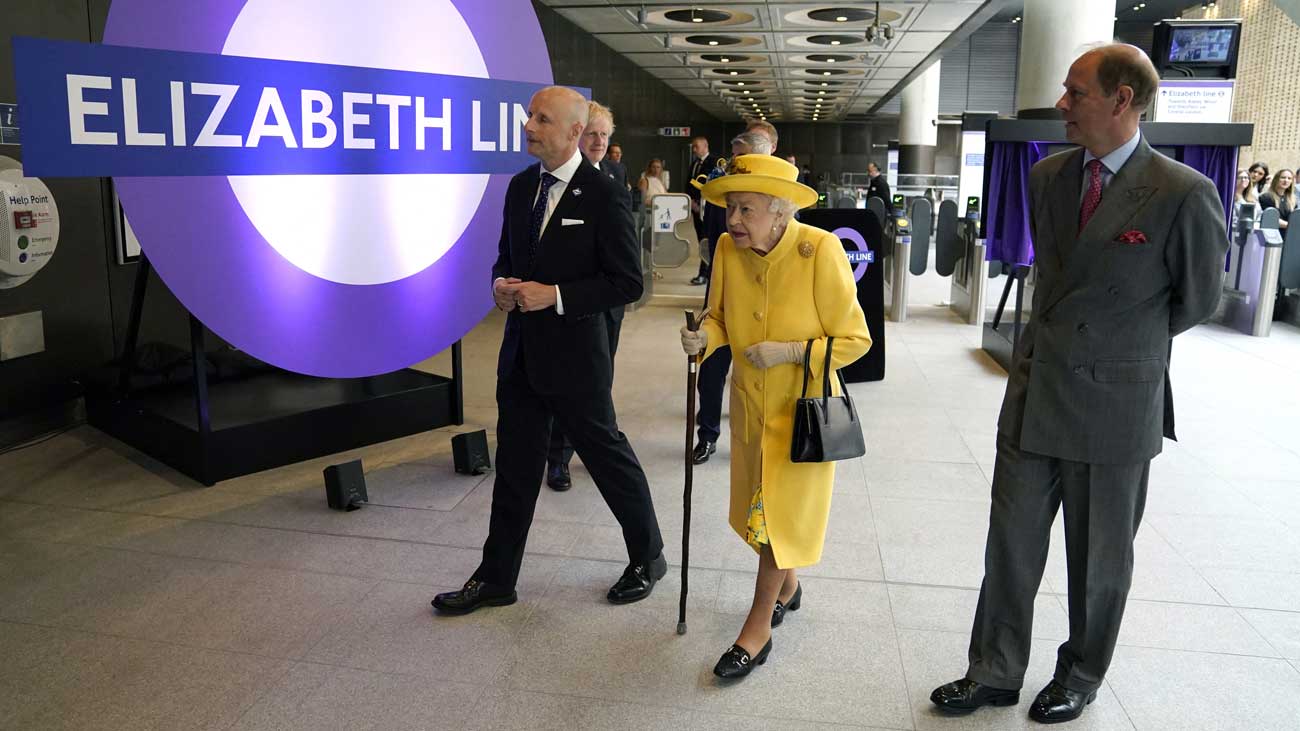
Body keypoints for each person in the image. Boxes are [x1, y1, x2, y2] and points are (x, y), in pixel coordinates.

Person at [930, 44, 1227, 724]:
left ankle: (1081, 673)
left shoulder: (1184, 192)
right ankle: (994, 669)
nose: (1061, 103)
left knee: (1098, 564)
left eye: (1076, 92)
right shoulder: (1048, 176)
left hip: (1115, 405)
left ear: (1122, 101)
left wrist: (1121, 350)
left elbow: (1198, 299)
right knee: (1010, 545)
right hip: (1035, 391)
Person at [432, 86, 667, 616]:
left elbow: (627, 283)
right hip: (520, 357)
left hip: (577, 361)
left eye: (542, 119)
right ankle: (496, 579)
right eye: (529, 116)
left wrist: (556, 296)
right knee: (514, 468)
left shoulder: (604, 194)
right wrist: (499, 285)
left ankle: (648, 557)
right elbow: (504, 257)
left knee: (607, 459)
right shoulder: (519, 188)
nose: (529, 126)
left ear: (573, 134)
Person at [679, 154, 872, 680]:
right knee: (759, 519)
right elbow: (718, 316)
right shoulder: (725, 248)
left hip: (802, 417)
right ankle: (789, 587)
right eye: (729, 208)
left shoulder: (819, 250)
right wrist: (704, 338)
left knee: (777, 522)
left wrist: (791, 352)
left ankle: (756, 628)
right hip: (749, 408)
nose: (733, 220)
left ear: (780, 213)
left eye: (745, 209)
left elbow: (856, 341)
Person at [545, 100, 628, 491]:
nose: (598, 141)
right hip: (569, 307)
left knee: (599, 383)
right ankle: (557, 458)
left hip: (608, 306)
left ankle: (593, 451)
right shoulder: (557, 182)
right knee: (568, 385)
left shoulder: (614, 176)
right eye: (592, 133)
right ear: (577, 134)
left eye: (604, 135)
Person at [691, 130, 773, 465]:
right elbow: (714, 231)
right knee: (711, 368)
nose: (732, 166)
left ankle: (766, 440)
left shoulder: (776, 198)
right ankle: (707, 435)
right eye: (733, 158)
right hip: (724, 285)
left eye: (741, 159)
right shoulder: (722, 188)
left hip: (769, 298)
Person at [688, 135, 721, 285]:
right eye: (693, 146)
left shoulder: (714, 162)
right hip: (695, 209)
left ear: (705, 146)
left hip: (707, 208)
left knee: (706, 241)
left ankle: (705, 273)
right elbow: (689, 184)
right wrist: (690, 201)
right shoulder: (694, 164)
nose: (694, 149)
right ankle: (705, 273)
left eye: (697, 146)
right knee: (701, 240)